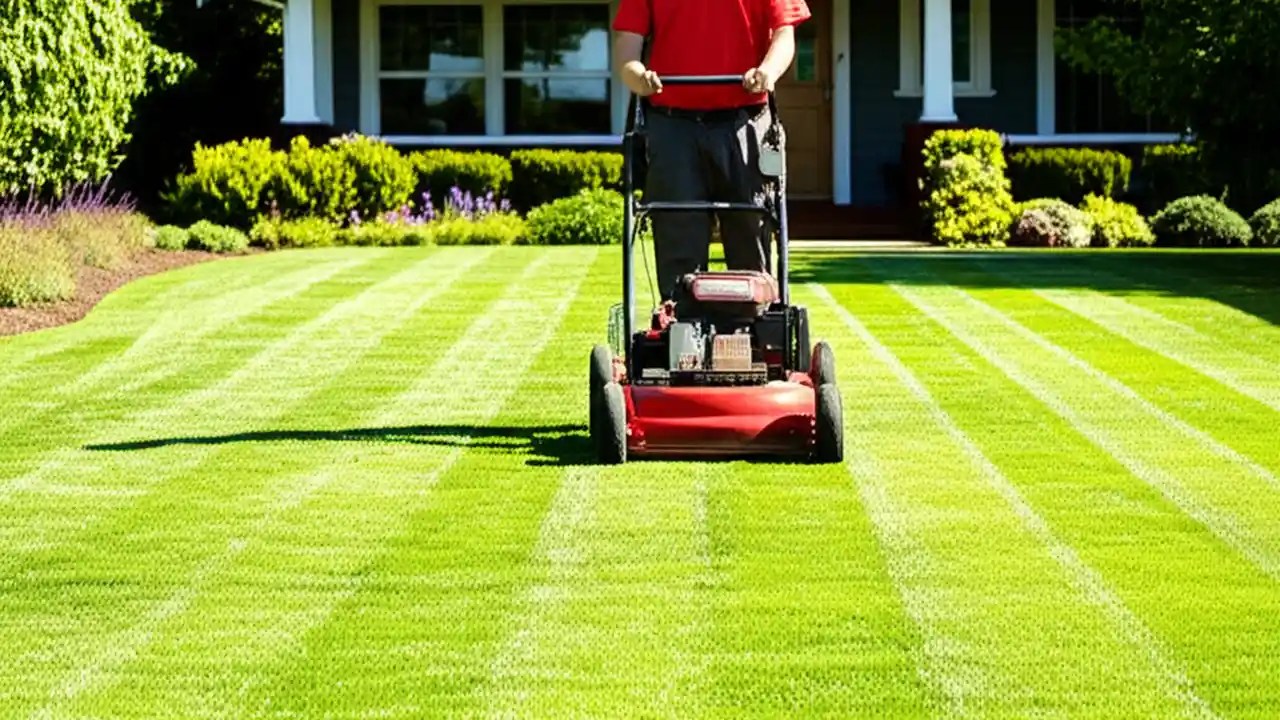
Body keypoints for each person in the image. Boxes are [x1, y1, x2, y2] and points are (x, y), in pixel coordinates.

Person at [612, 0, 811, 301]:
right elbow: (627, 44)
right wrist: (637, 76)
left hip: (745, 121)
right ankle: (678, 327)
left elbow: (784, 34)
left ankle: (753, 325)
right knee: (678, 231)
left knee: (750, 229)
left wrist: (767, 71)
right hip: (672, 125)